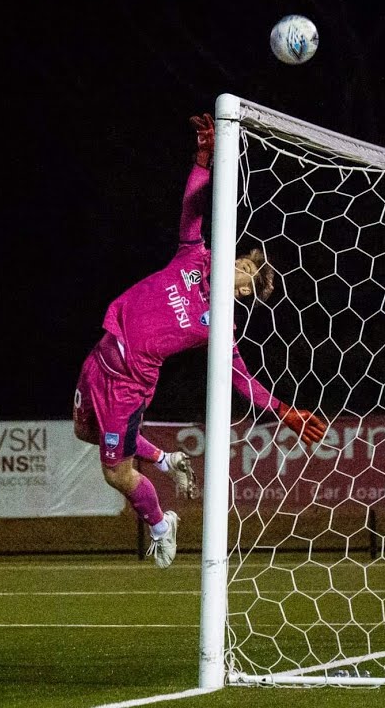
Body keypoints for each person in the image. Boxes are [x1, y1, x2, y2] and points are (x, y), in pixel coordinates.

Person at [72, 113, 328, 569]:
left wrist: (284, 410)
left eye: (249, 281)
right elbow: (191, 208)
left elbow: (241, 379)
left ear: (245, 294)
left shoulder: (219, 325)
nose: (241, 274)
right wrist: (204, 159)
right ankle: (167, 460)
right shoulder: (196, 257)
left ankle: (159, 525)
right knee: (83, 430)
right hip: (102, 355)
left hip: (128, 383)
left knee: (117, 473)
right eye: (245, 264)